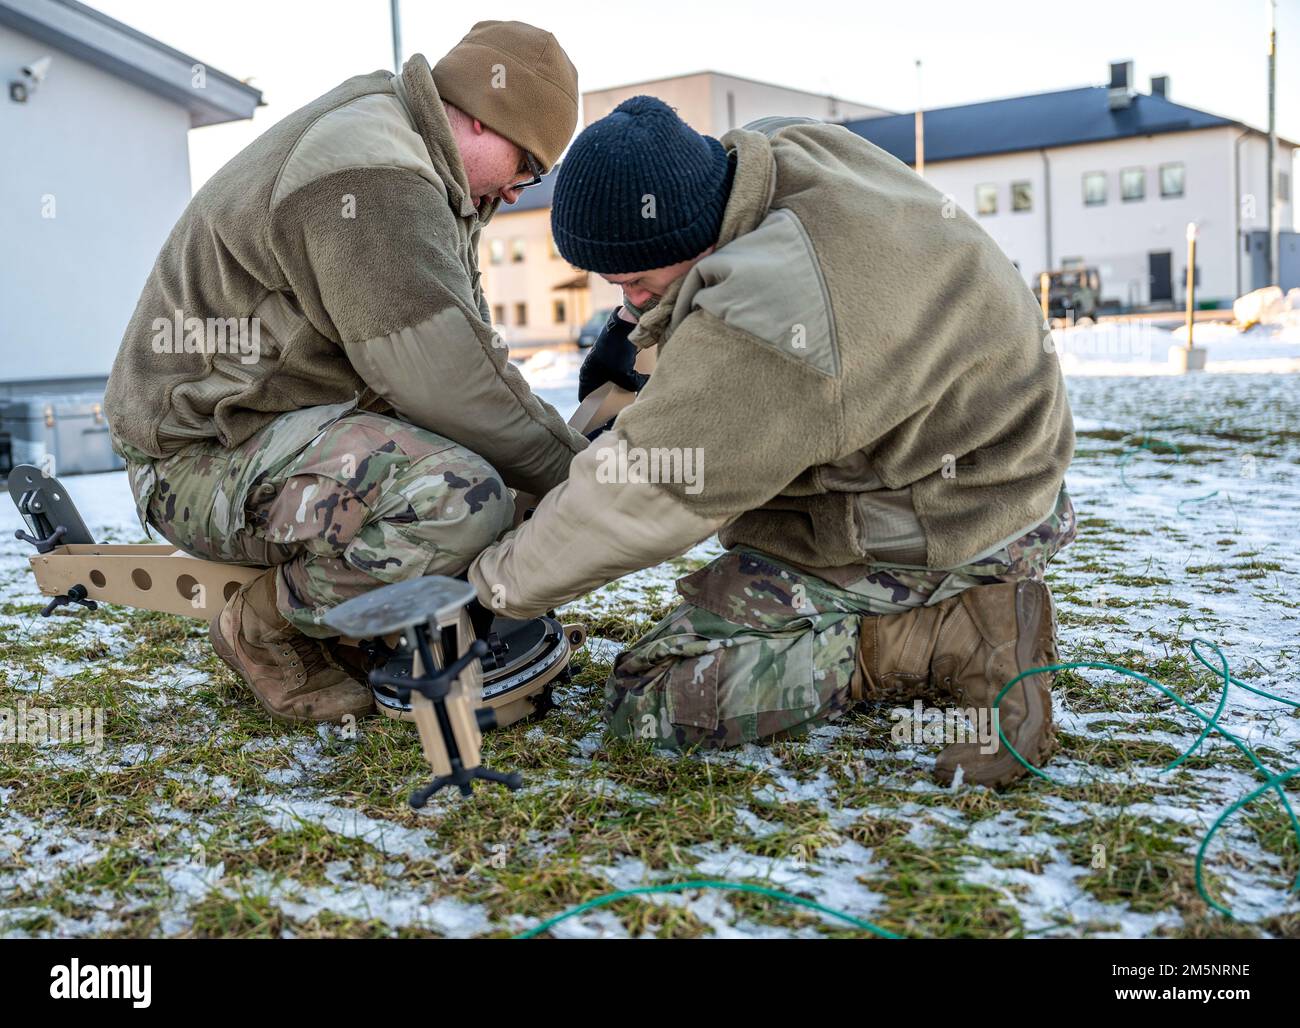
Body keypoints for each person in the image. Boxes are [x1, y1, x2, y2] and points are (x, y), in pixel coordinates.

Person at [469, 97, 1077, 787]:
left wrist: (491, 590)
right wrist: (642, 336)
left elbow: (639, 499)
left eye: (636, 281)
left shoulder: (773, 311)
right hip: (999, 469)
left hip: (947, 519)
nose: (628, 300)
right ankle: (956, 606)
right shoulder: (767, 156)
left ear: (693, 236)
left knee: (655, 699)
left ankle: (940, 633)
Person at [104, 21, 587, 723]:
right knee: (457, 499)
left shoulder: (421, 163)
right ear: (485, 117)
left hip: (274, 431)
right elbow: (445, 381)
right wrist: (579, 476)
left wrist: (555, 470)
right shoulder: (372, 172)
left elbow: (471, 363)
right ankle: (263, 627)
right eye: (529, 166)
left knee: (505, 479)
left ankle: (375, 620)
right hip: (193, 456)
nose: (521, 190)